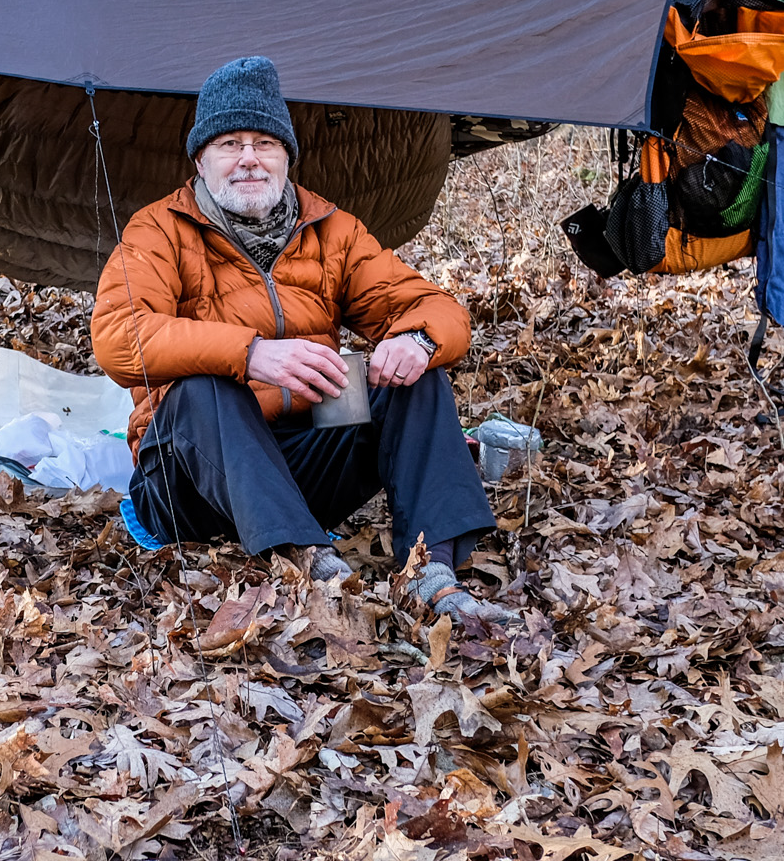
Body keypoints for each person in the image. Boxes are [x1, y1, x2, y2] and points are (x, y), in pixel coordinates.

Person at [90, 56, 517, 628]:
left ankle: (430, 571)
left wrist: (416, 340)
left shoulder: (331, 230)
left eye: (265, 143)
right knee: (200, 388)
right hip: (188, 484)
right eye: (229, 143)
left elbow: (439, 309)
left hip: (301, 470)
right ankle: (310, 564)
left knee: (416, 374)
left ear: (287, 156)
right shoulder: (158, 230)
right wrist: (250, 354)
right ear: (200, 160)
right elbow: (117, 336)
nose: (249, 158)